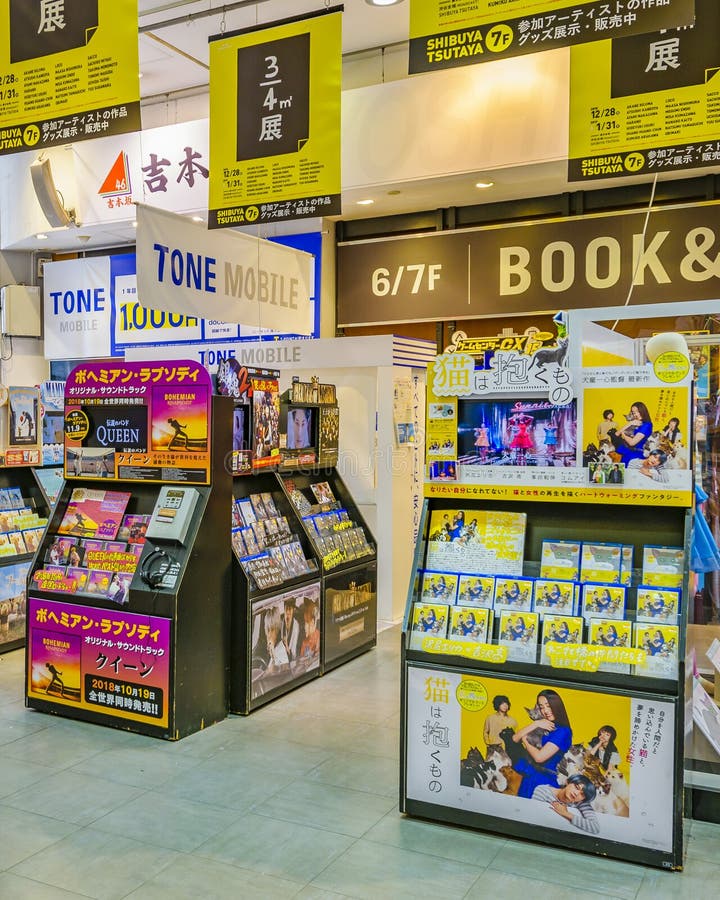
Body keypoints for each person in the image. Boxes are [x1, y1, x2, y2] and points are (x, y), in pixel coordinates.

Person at [512, 689, 573, 798]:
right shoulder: (542, 724)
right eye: (541, 707)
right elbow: (515, 738)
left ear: (557, 706)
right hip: (528, 777)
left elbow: (539, 758)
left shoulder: (563, 731)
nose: (545, 711)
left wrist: (525, 739)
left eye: (548, 706)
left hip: (544, 781)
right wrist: (536, 723)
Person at [532, 775, 599, 834]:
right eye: (576, 787)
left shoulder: (580, 803)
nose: (576, 793)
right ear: (567, 782)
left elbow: (595, 827)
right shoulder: (543, 791)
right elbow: (534, 817)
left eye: (582, 794)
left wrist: (565, 813)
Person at [613, 401, 653, 466]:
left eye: (637, 411)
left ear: (643, 411)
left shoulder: (647, 425)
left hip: (635, 456)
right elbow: (617, 434)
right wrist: (630, 423)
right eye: (633, 413)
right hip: (625, 452)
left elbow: (632, 443)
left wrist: (623, 434)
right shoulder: (634, 423)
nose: (635, 414)